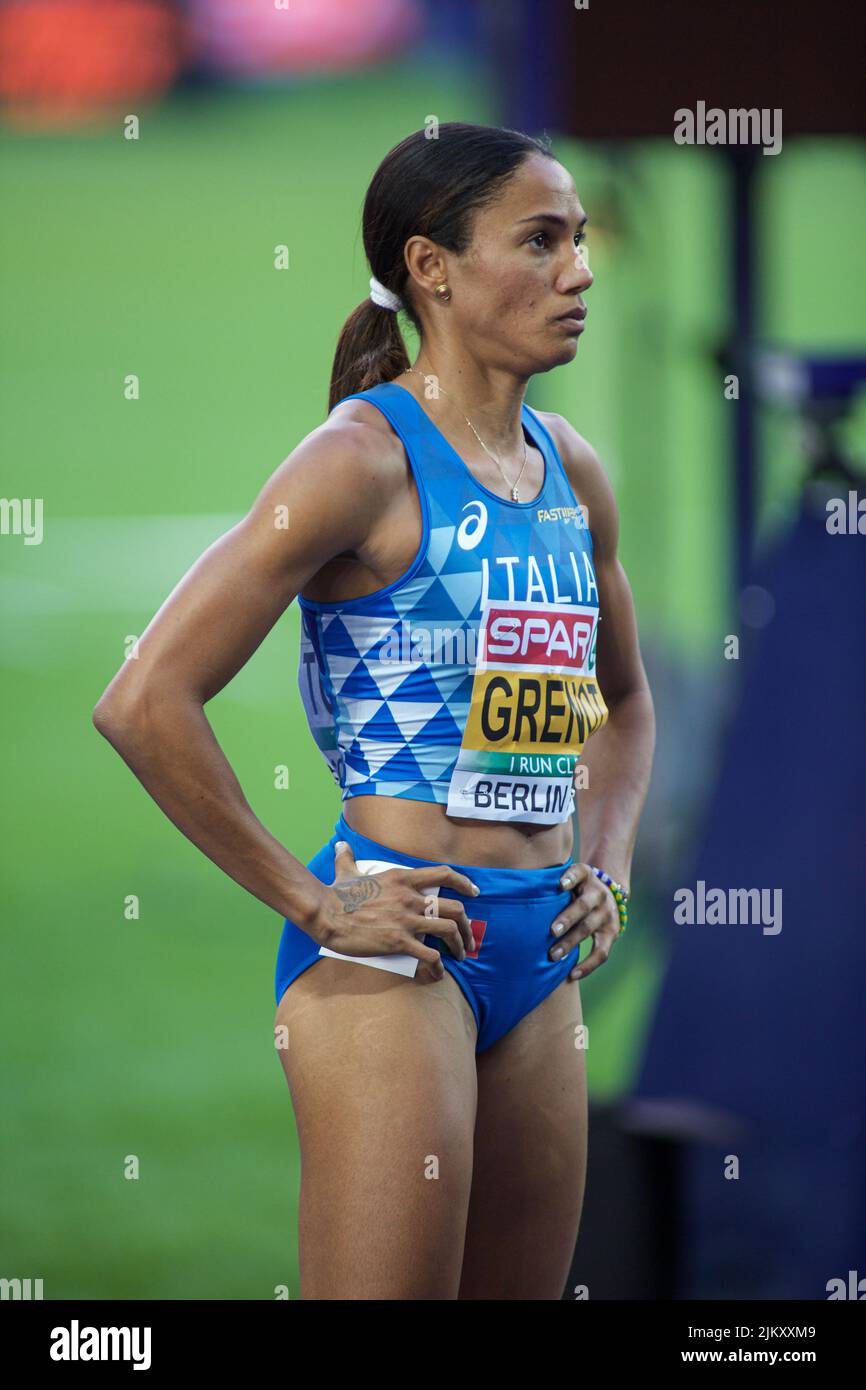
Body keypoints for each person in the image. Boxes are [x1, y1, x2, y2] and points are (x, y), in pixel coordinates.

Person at [93, 122, 655, 1300]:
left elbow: (625, 701)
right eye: (541, 240)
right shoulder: (358, 461)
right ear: (430, 267)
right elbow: (146, 699)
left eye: (581, 239)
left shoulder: (573, 473)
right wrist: (311, 897)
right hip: (395, 955)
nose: (580, 271)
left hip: (539, 962)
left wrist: (602, 859)